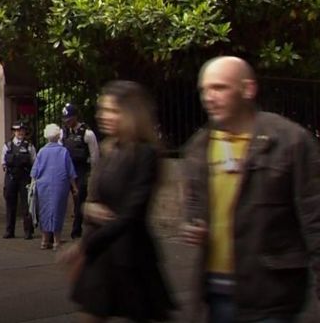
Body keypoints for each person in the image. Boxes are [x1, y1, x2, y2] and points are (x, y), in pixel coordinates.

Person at [181, 56, 320, 322]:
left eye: (219, 88)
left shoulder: (289, 141)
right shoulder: (199, 146)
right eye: (204, 89)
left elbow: (315, 218)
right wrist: (194, 224)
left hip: (272, 295)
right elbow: (196, 207)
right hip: (215, 291)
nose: (209, 97)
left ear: (248, 89)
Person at [65, 80, 175, 322]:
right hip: (101, 256)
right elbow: (94, 199)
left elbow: (131, 213)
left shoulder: (145, 154)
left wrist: (83, 247)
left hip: (131, 256)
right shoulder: (108, 150)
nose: (104, 116)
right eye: (103, 109)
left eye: (113, 110)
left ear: (131, 113)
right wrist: (88, 208)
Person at [31, 123, 77, 250]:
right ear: (58, 135)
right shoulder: (63, 151)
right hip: (60, 184)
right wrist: (74, 187)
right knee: (58, 211)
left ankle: (44, 240)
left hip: (43, 185)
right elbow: (70, 172)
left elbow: (35, 171)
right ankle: (56, 241)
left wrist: (32, 184)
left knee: (44, 211)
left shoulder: (42, 151)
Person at [60, 103, 100, 239]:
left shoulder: (87, 133)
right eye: (65, 120)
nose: (67, 123)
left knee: (79, 200)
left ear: (76, 117)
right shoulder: (63, 133)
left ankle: (76, 230)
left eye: (69, 120)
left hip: (80, 170)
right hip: (66, 170)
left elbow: (94, 156)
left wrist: (93, 175)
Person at [3, 121, 36, 240]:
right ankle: (9, 230)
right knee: (10, 205)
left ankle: (28, 231)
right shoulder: (8, 145)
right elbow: (3, 163)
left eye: (22, 130)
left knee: (26, 205)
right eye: (17, 130)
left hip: (25, 178)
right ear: (14, 132)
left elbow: (34, 162)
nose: (20, 132)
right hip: (11, 177)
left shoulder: (29, 146)